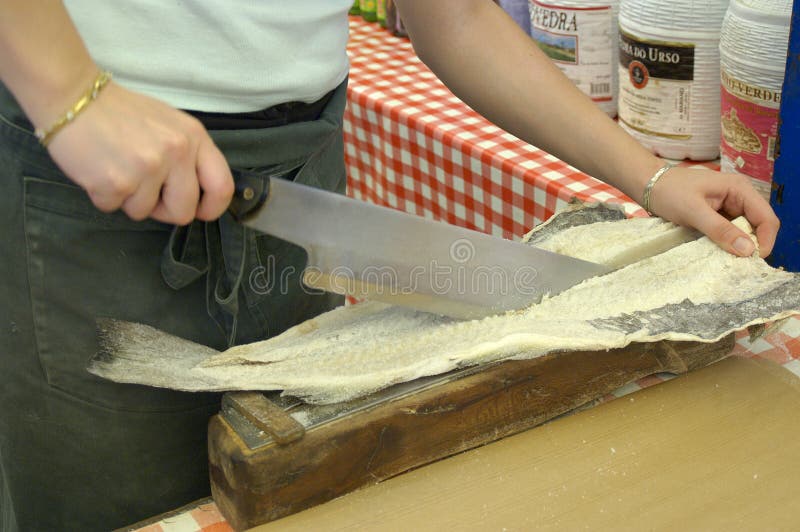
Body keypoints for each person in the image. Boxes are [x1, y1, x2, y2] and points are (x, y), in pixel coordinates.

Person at [0, 1, 780, 530]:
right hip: (94, 171)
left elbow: (456, 15)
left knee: (290, 488)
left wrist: (650, 175)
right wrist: (72, 95)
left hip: (297, 172)